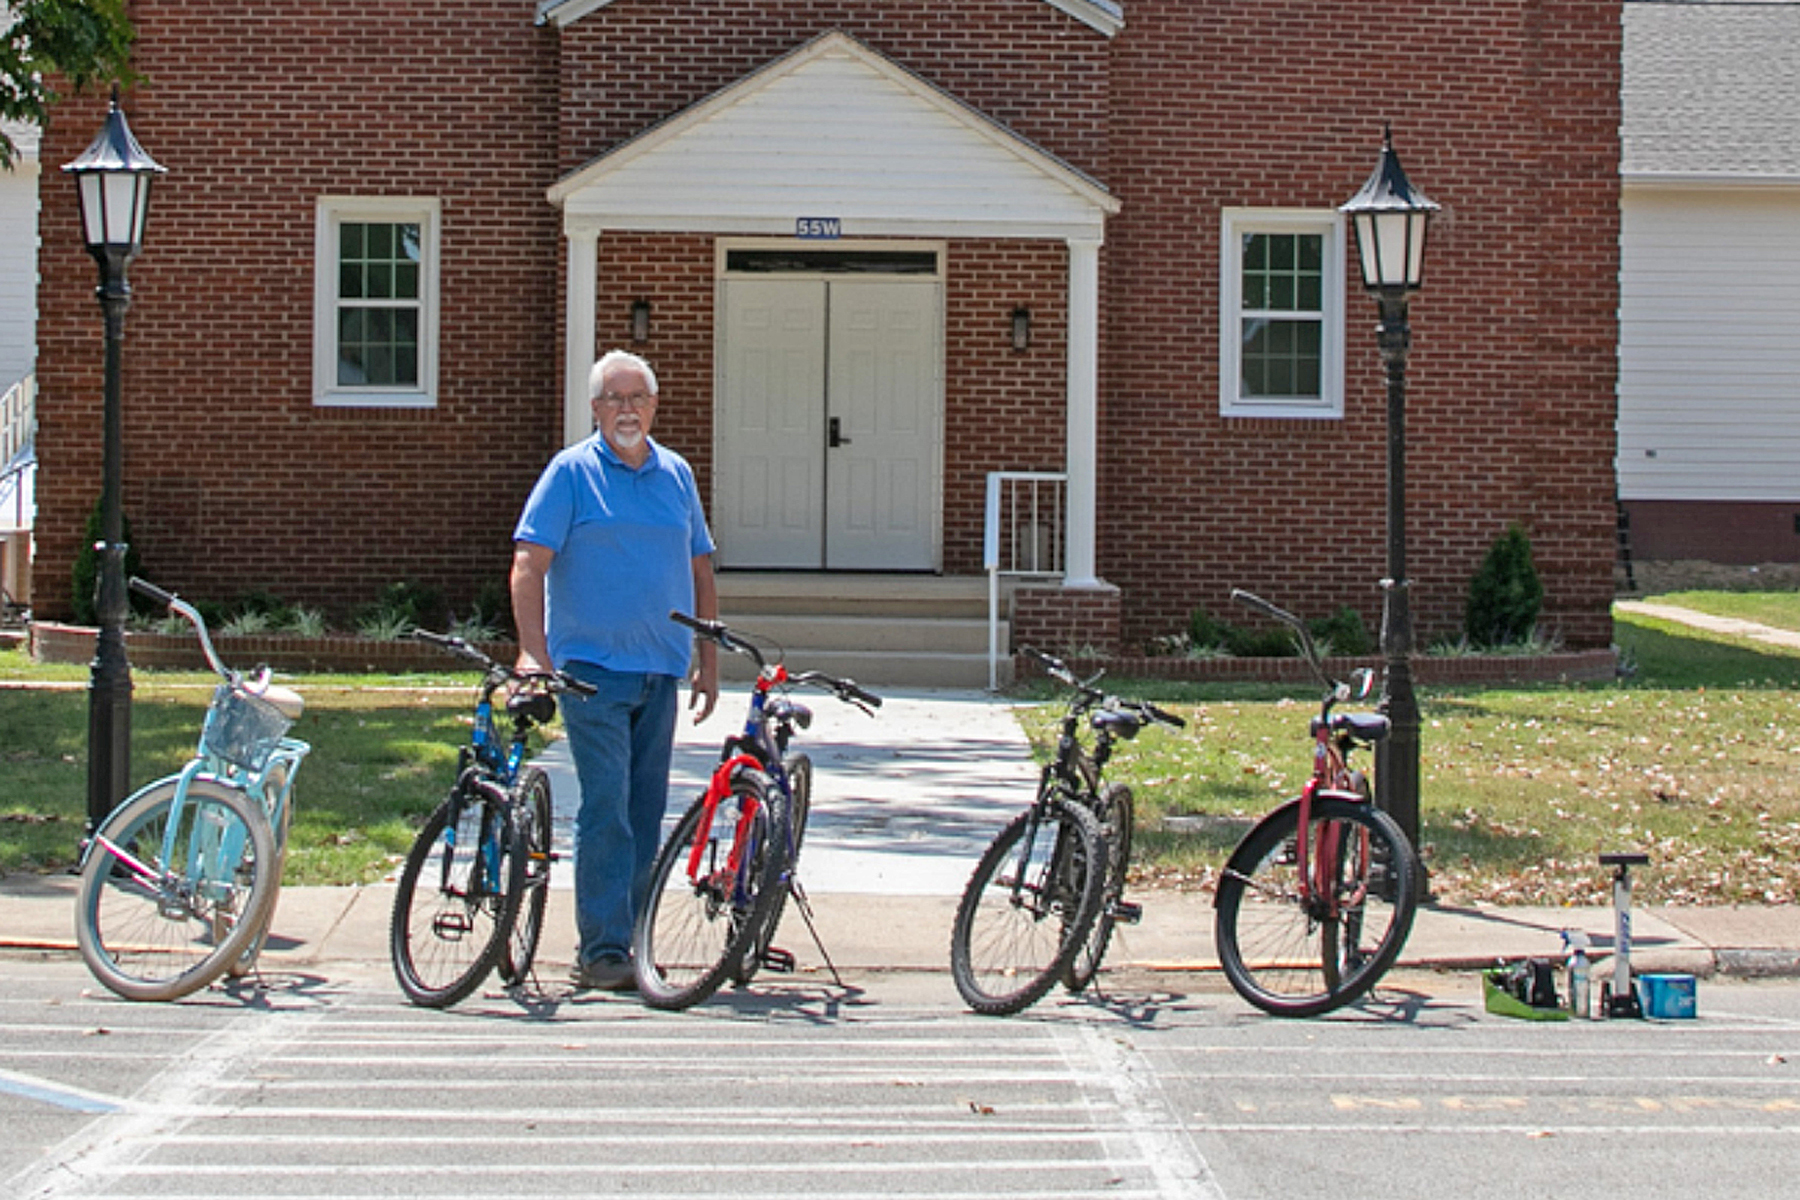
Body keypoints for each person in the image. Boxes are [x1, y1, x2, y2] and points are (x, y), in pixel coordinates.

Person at [511, 349, 719, 992]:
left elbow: (700, 570)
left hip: (659, 668)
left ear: (654, 407)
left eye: (638, 399)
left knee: (644, 806)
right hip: (590, 671)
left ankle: (632, 937)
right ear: (595, 409)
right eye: (614, 399)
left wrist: (707, 662)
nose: (627, 410)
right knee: (607, 807)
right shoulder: (570, 473)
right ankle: (601, 950)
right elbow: (528, 564)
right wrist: (531, 653)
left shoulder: (676, 474)